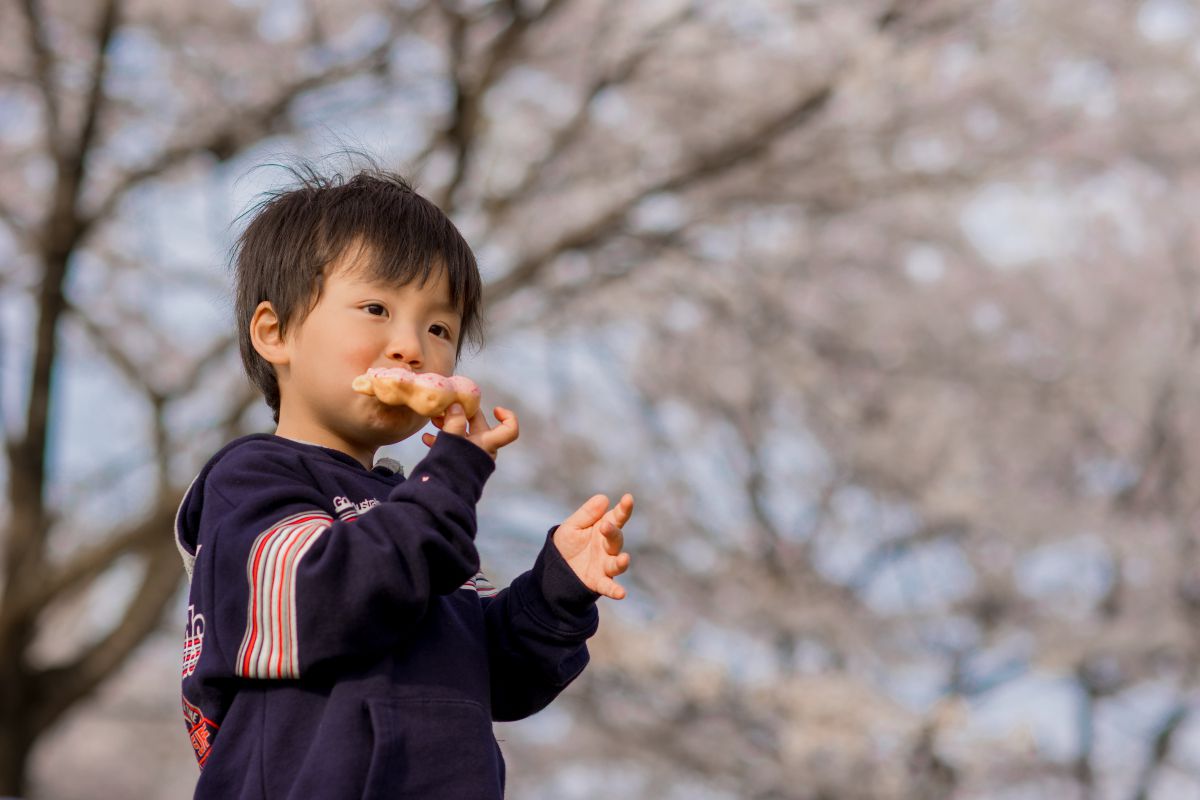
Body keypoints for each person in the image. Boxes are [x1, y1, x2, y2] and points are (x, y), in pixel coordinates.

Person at [174, 164, 634, 799]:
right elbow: (325, 597)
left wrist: (555, 591)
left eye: (439, 328)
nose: (411, 347)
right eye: (375, 308)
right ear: (275, 332)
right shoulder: (250, 481)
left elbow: (494, 676)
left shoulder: (412, 511)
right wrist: (450, 479)